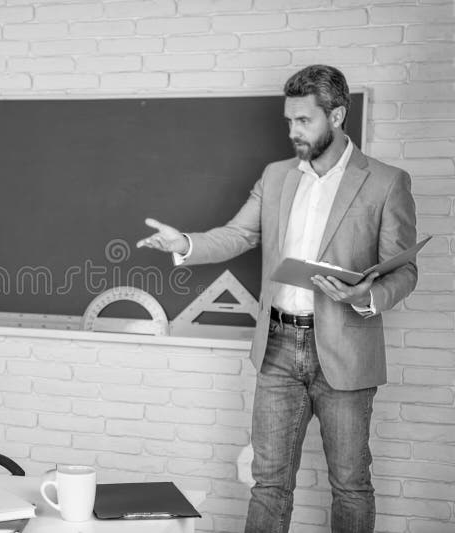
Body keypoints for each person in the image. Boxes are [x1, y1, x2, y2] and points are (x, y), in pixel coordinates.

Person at [138, 65, 417, 533]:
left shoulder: (386, 182)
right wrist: (184, 243)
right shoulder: (277, 175)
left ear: (338, 115)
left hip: (347, 348)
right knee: (267, 482)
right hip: (278, 348)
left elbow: (404, 270)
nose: (293, 132)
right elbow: (238, 234)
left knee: (350, 483)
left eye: (304, 121)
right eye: (288, 121)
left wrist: (368, 295)